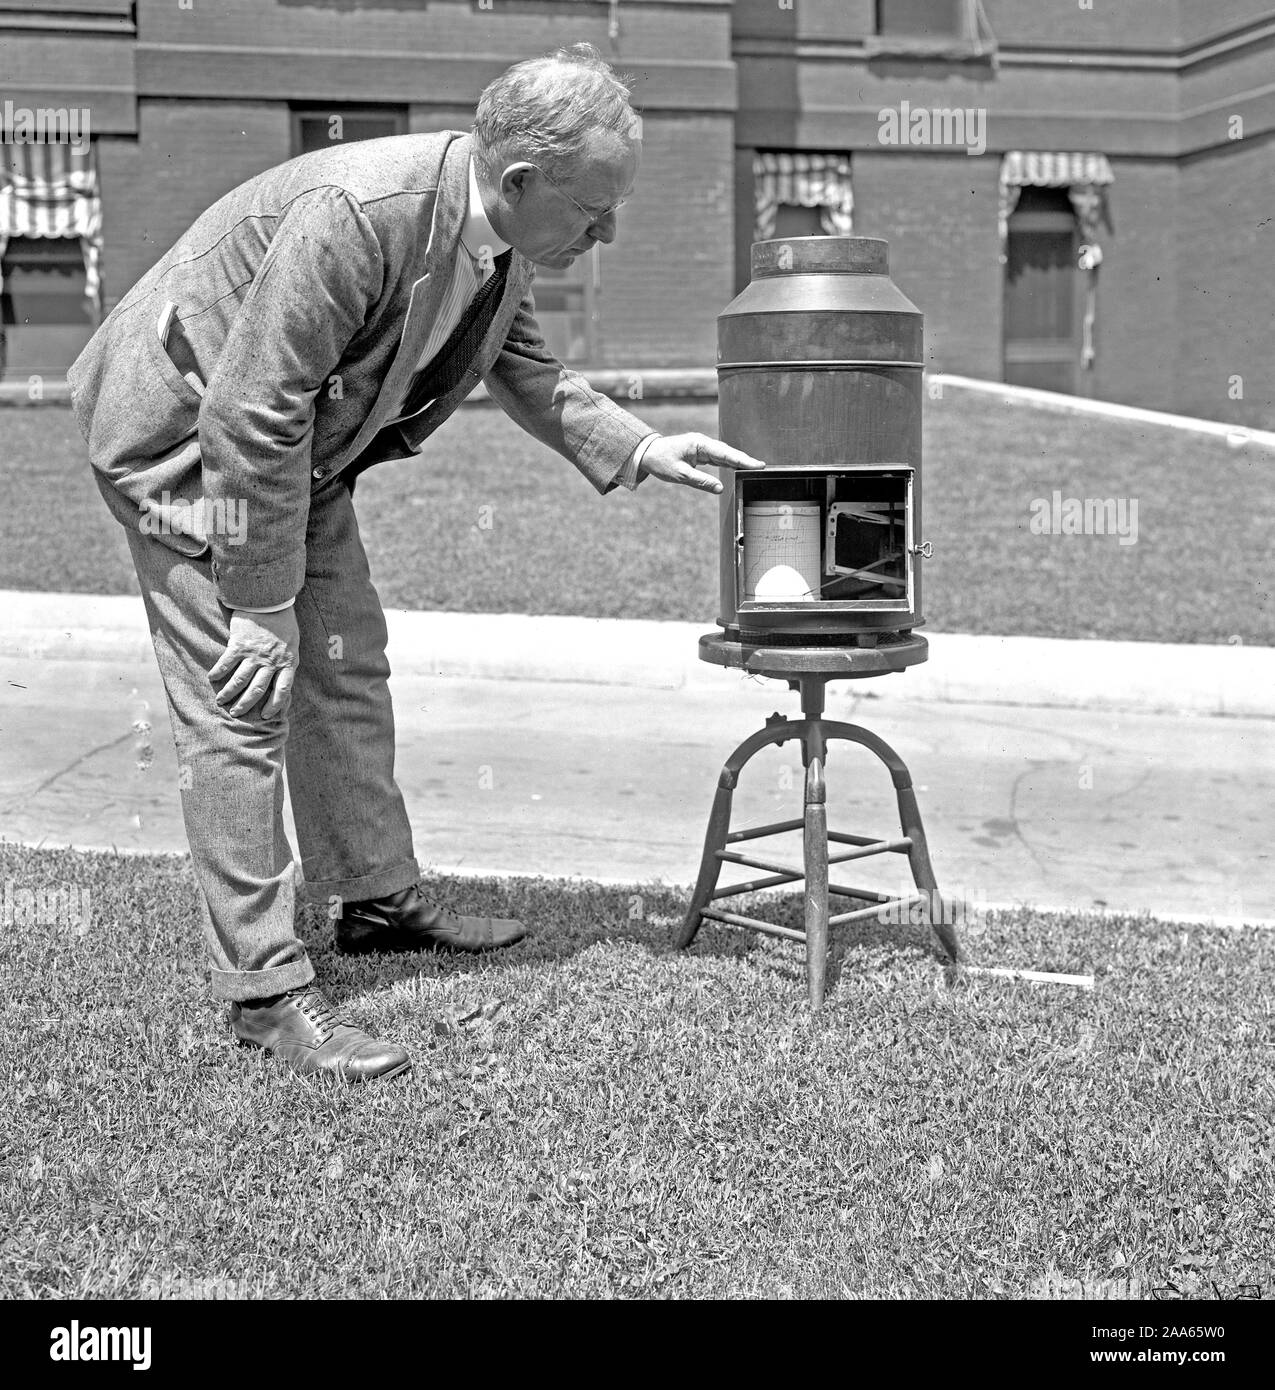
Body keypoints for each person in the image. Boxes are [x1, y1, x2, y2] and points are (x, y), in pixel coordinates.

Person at [67, 43, 764, 1082]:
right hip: (186, 443)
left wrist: (643, 447)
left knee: (346, 657)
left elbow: (527, 369)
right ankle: (265, 997)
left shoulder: (502, 241)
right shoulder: (360, 215)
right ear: (521, 181)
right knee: (241, 702)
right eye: (594, 209)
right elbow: (250, 410)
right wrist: (261, 606)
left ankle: (376, 898)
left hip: (294, 453)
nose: (609, 231)